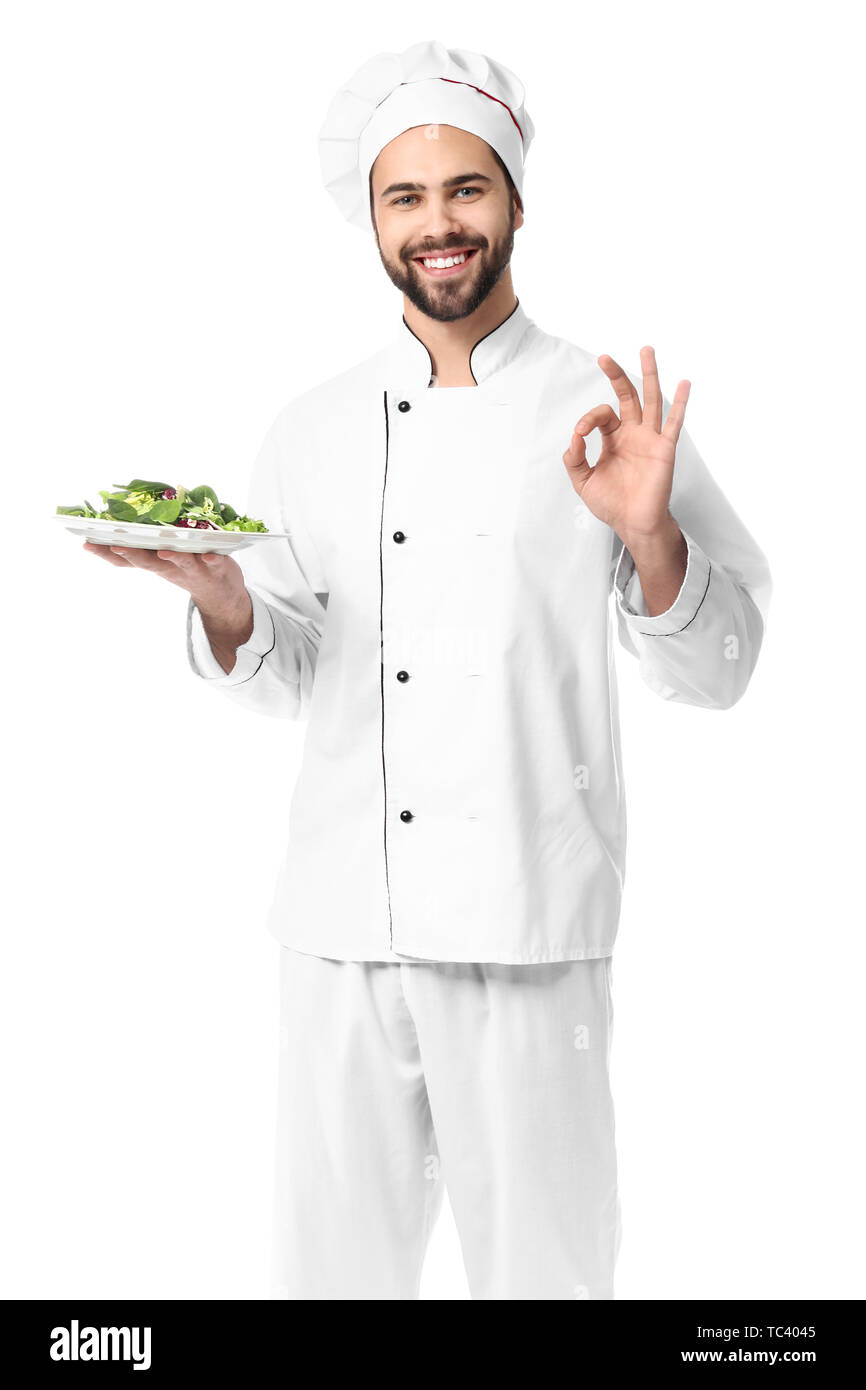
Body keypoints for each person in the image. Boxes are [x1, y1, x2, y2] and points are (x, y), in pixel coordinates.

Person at [84, 40, 772, 1300]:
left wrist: (650, 535)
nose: (438, 224)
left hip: (529, 919)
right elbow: (297, 673)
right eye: (406, 198)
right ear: (372, 218)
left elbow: (721, 669)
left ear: (514, 201)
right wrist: (233, 605)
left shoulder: (604, 413)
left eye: (466, 190)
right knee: (328, 1284)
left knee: (547, 1282)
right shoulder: (312, 426)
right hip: (341, 933)